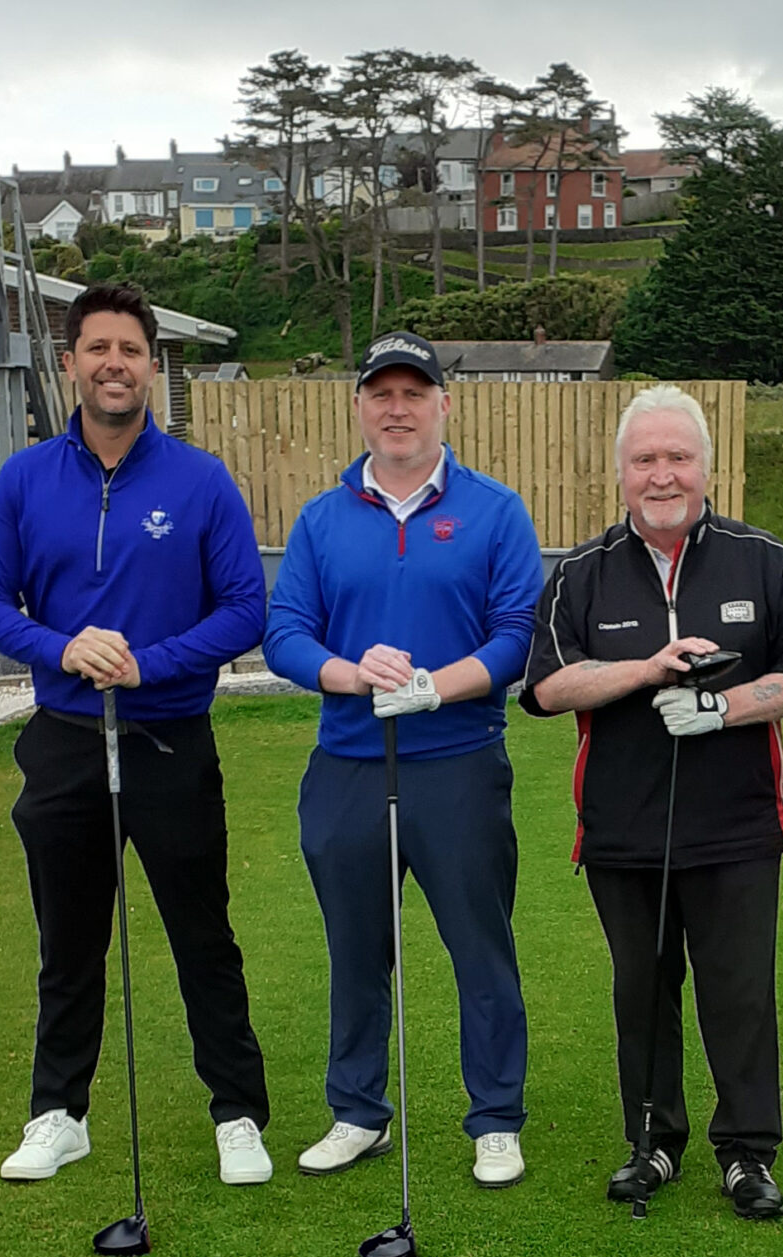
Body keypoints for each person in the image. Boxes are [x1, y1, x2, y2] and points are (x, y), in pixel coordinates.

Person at [0, 284, 275, 1189]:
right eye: (97, 347)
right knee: (68, 940)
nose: (114, 363)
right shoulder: (27, 478)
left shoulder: (199, 480)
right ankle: (59, 1112)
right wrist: (62, 644)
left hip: (170, 739)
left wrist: (155, 662)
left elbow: (246, 609)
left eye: (131, 349)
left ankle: (238, 1113)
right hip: (64, 740)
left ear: (152, 366)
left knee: (201, 935)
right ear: (69, 363)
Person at [522, 386, 783, 1220]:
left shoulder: (764, 560)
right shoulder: (582, 576)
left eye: (678, 457)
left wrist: (722, 706)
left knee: (739, 992)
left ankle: (747, 1151)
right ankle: (653, 1140)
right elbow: (551, 685)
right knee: (642, 988)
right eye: (645, 460)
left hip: (739, 825)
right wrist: (650, 669)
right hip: (623, 829)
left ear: (707, 466)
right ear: (621, 471)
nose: (662, 475)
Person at [263, 331, 542, 1189]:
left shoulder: (495, 511)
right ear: (359, 408)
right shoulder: (321, 518)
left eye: (413, 393)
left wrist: (436, 686)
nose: (397, 408)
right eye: (380, 394)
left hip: (458, 762)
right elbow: (284, 637)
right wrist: (353, 675)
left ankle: (495, 1118)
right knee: (356, 951)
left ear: (443, 405)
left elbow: (516, 637)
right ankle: (357, 1111)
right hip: (347, 763)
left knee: (479, 948)